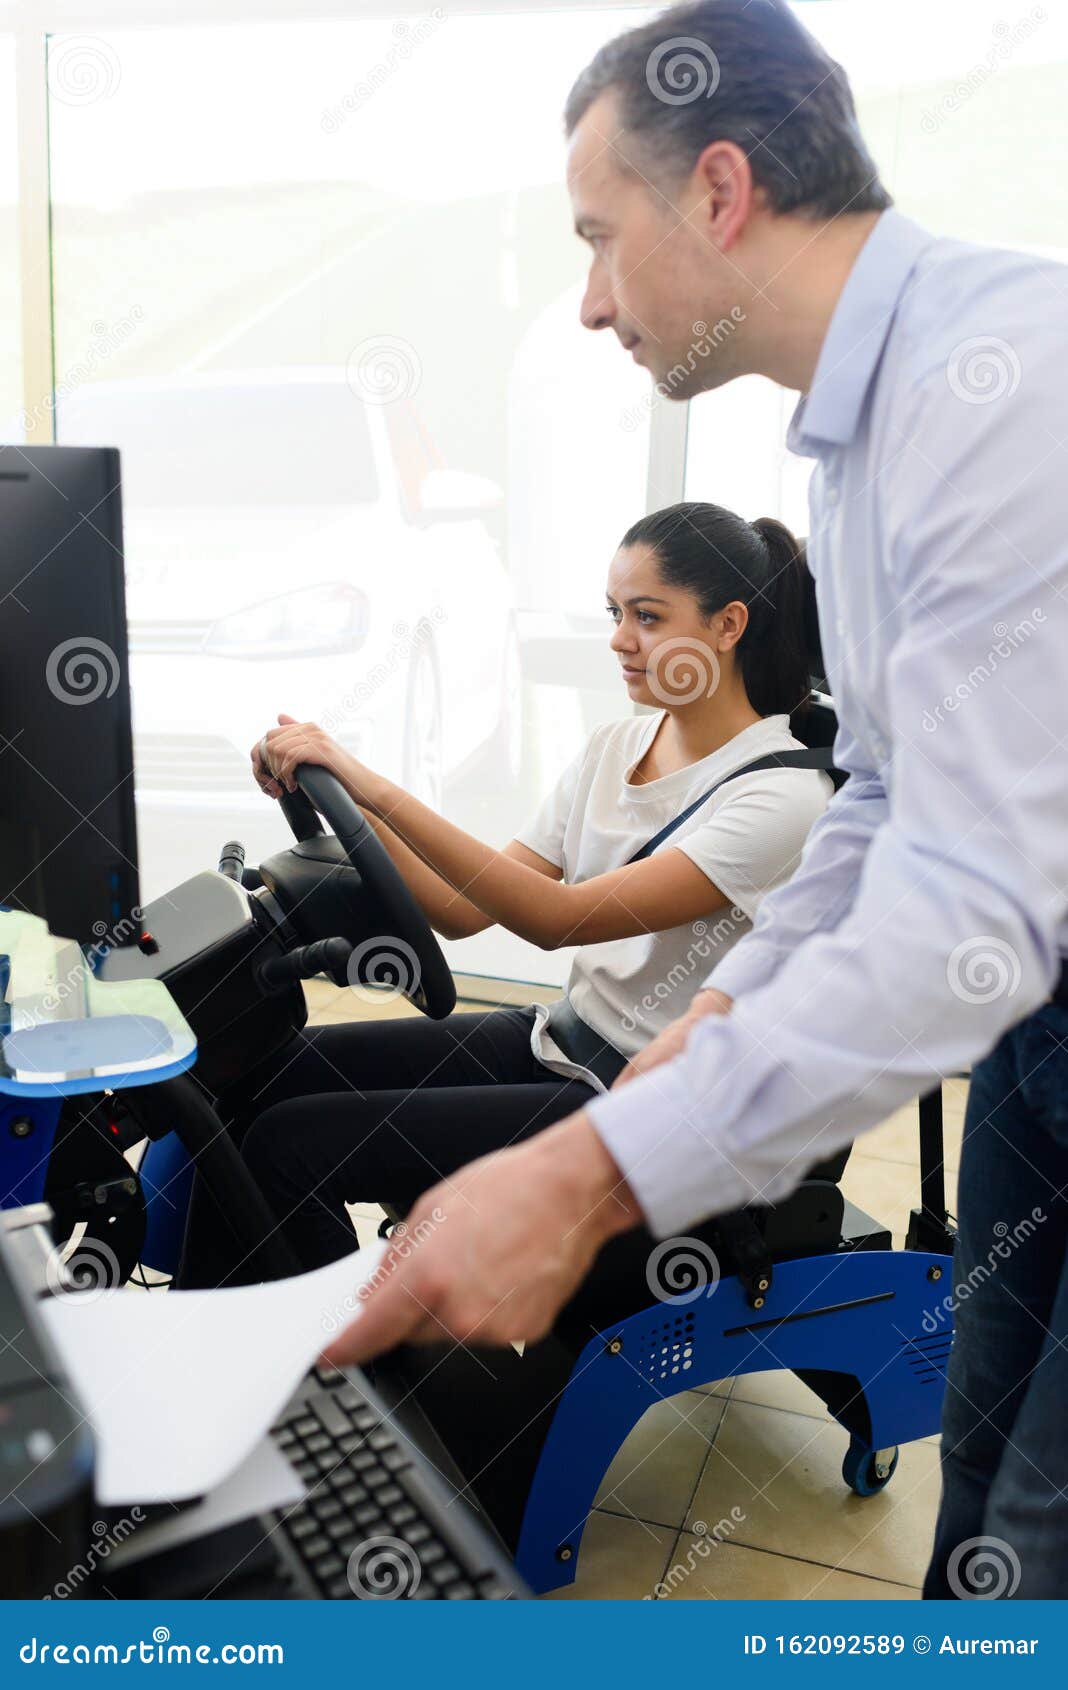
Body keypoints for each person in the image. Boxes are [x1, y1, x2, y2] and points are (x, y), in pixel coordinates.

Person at [320, 0, 1068, 1600]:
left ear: (718, 191)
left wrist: (594, 1173)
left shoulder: (1003, 385)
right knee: (984, 1507)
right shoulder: (849, 451)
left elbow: (966, 897)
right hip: (1038, 1038)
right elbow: (876, 803)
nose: (587, 304)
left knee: (1043, 1535)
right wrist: (711, 1018)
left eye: (598, 240)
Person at [179, 499, 829, 1287]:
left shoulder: (778, 799)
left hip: (651, 1114)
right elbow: (464, 910)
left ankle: (347, 1370)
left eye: (649, 617)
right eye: (616, 612)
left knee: (290, 1147)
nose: (621, 640)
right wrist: (341, 803)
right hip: (562, 1045)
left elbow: (558, 921)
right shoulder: (619, 742)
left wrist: (371, 786)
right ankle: (313, 1330)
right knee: (258, 1080)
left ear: (729, 627)